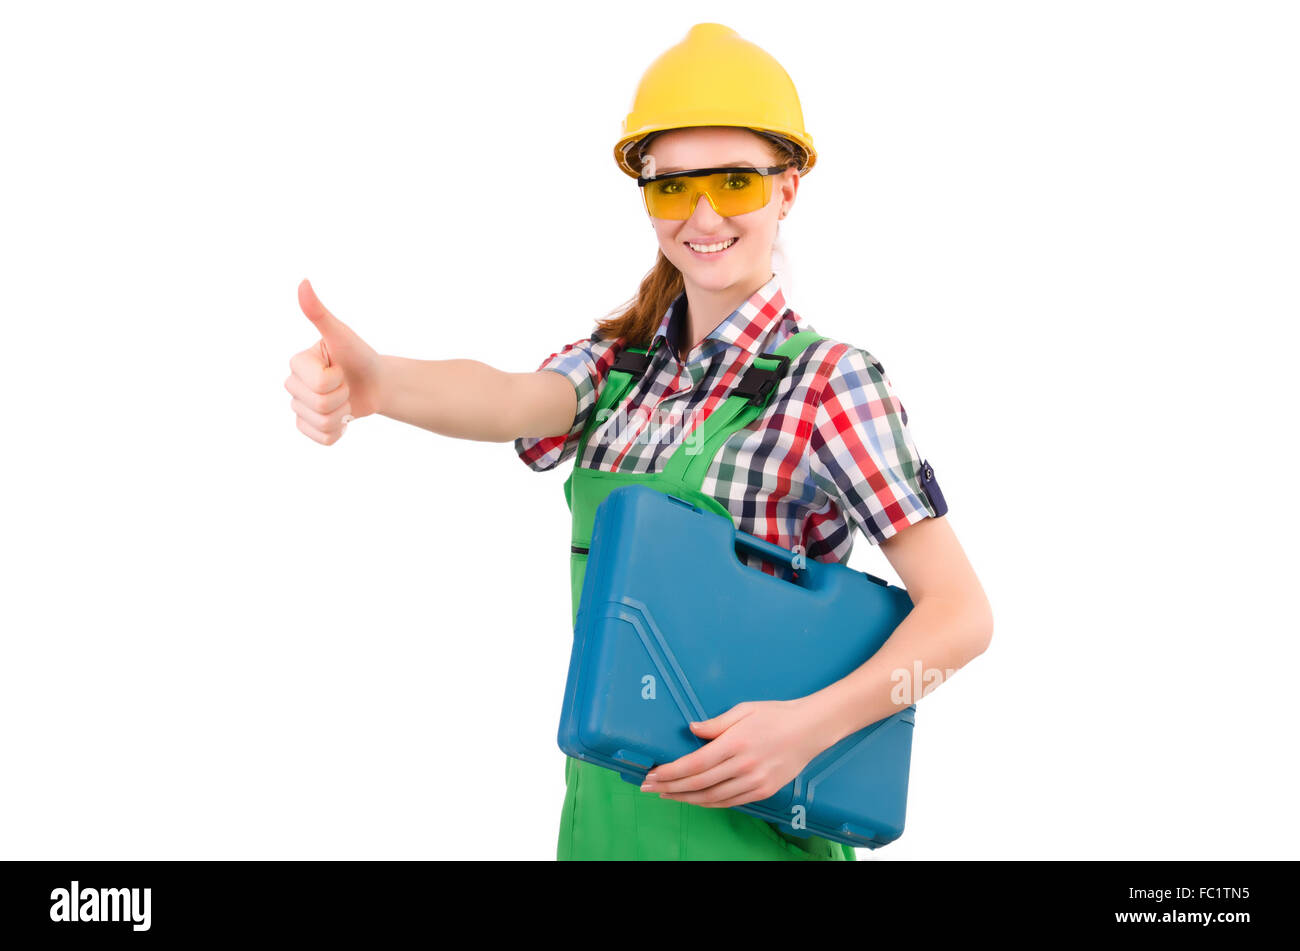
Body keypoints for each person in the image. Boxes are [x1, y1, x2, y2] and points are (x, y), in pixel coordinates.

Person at [285, 23, 993, 861]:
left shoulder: (830, 384)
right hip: (601, 828)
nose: (701, 216)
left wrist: (805, 732)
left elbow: (961, 616)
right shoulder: (618, 370)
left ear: (788, 189)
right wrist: (380, 385)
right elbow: (509, 395)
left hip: (751, 833)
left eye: (734, 182)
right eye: (671, 189)